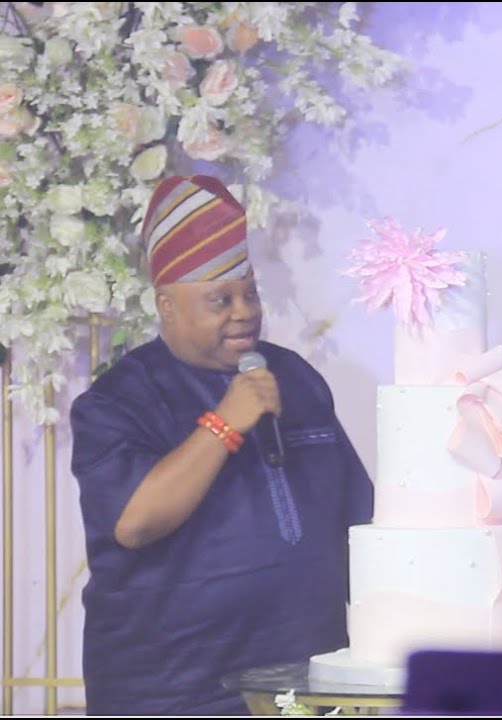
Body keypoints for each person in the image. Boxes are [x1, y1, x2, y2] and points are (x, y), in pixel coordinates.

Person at [69, 175, 373, 715]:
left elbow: (359, 517)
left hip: (304, 681)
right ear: (166, 305)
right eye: (220, 299)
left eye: (250, 293)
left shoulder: (294, 378)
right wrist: (224, 423)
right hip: (173, 692)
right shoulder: (116, 403)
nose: (245, 311)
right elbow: (135, 522)